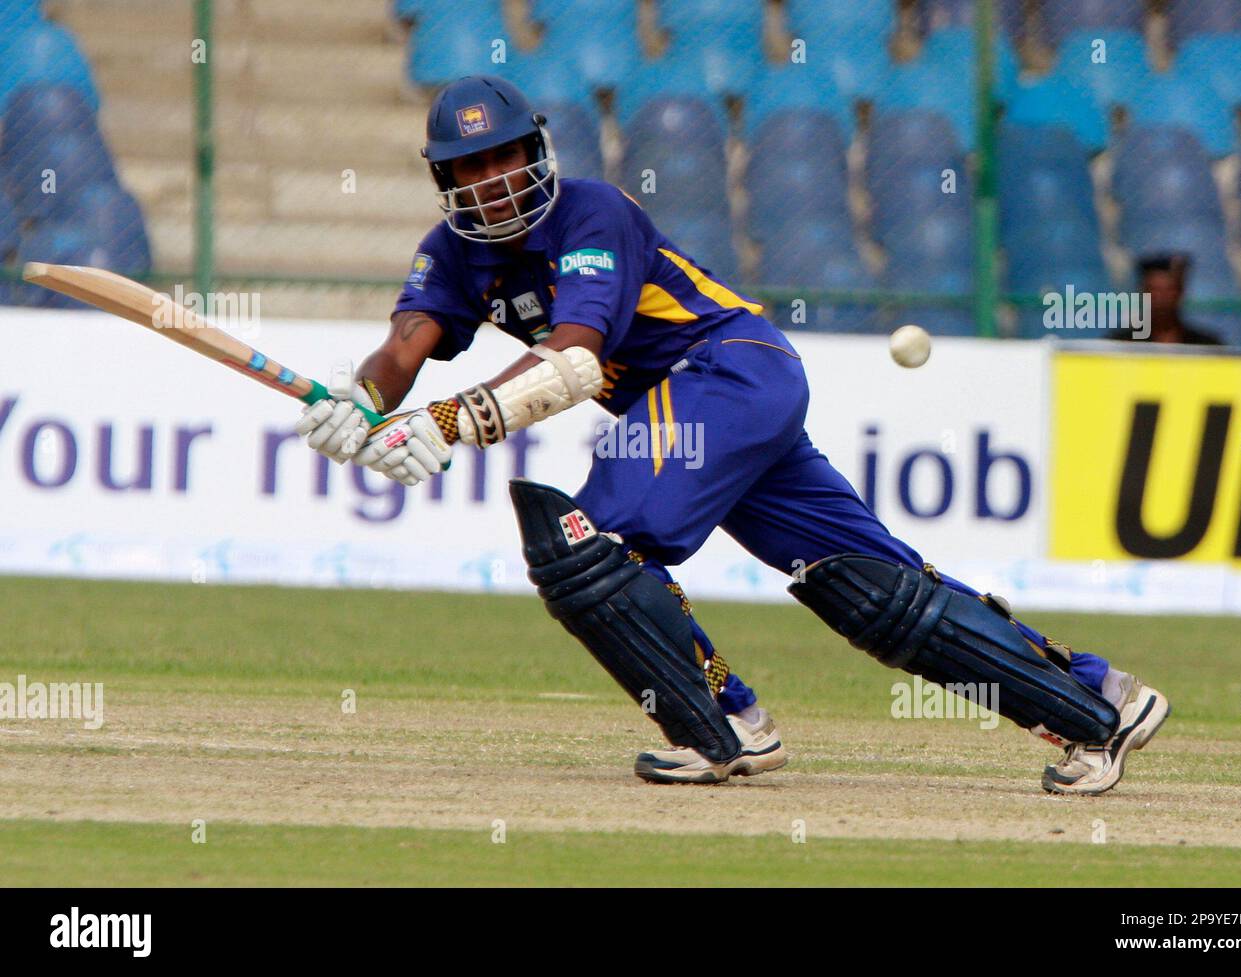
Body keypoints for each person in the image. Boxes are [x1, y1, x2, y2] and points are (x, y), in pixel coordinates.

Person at [296, 75, 1169, 795]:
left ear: (537, 151)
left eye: (505, 156)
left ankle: (724, 722)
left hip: (730, 369)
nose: (491, 179)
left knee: (588, 542)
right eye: (468, 166)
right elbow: (404, 348)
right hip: (699, 409)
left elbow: (572, 364)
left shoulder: (594, 214)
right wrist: (358, 402)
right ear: (445, 181)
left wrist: (451, 422)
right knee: (869, 589)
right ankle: (1100, 702)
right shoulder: (450, 253)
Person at [1112, 254, 1223, 345]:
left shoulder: (1205, 346)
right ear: (1142, 293)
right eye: (1154, 290)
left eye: (1169, 290)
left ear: (1181, 292)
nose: (1161, 298)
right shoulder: (1121, 345)